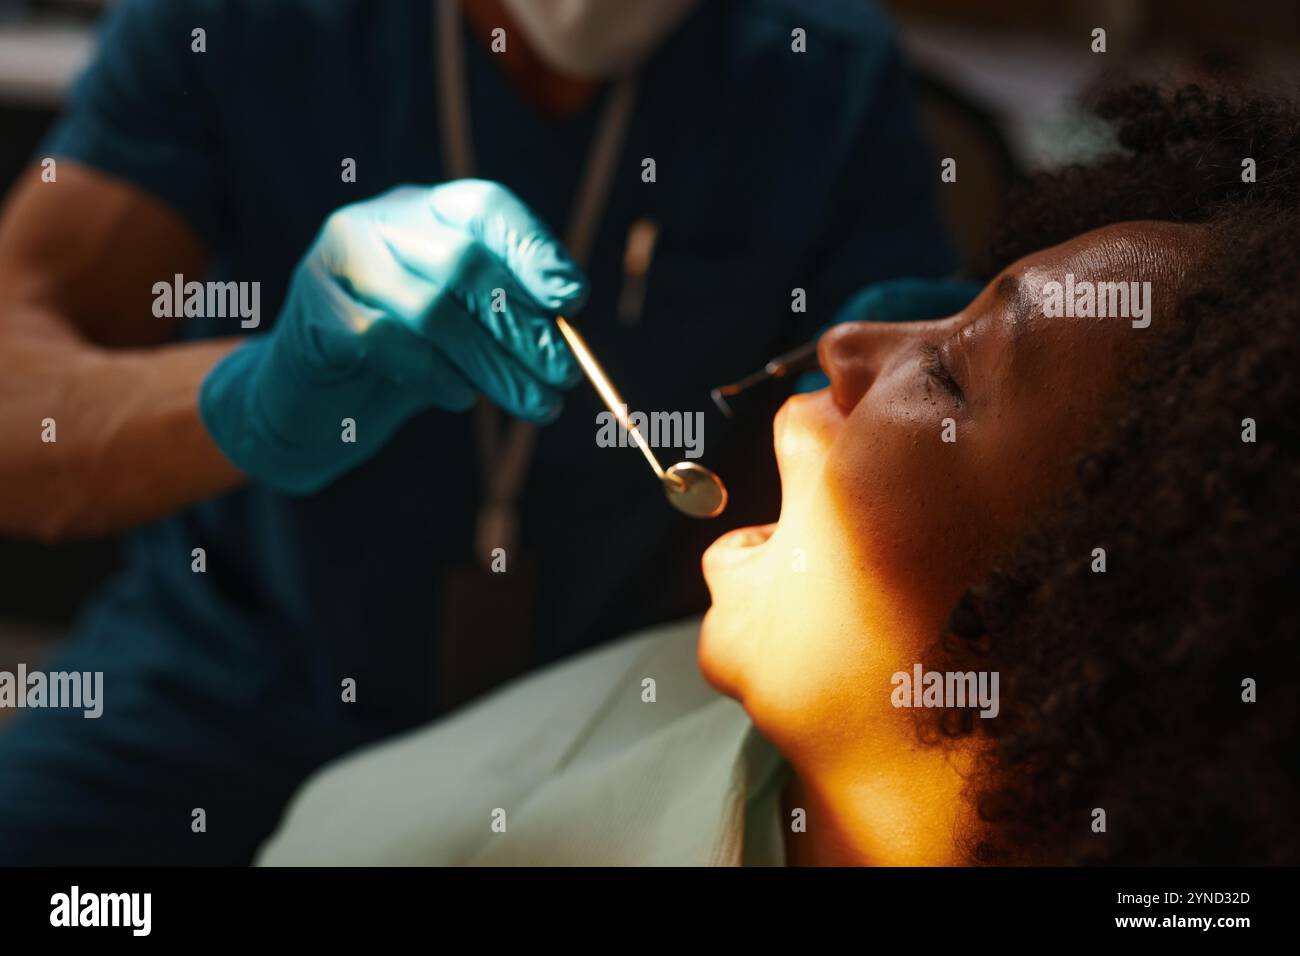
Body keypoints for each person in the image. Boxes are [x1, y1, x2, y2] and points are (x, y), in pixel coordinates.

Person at [0, 0, 955, 863]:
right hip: (227, 676)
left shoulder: (816, 64)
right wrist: (255, 397)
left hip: (604, 701)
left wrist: (927, 379)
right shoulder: (237, 25)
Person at [258, 82, 1299, 866]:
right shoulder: (699, 717)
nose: (845, 344)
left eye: (944, 368)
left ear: (1089, 637)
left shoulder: (827, 75)